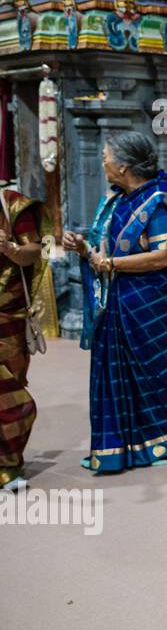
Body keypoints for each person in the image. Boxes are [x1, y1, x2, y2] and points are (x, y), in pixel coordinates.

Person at [62, 132, 167, 474]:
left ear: (123, 165)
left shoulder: (159, 200)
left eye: (107, 157)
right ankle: (117, 449)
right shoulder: (118, 200)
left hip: (158, 309)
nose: (104, 163)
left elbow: (164, 256)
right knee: (115, 373)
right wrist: (84, 248)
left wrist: (110, 265)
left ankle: (162, 442)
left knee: (158, 372)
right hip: (120, 304)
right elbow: (103, 248)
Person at [0, 185, 43, 492]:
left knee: (10, 394)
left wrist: (10, 249)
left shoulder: (11, 205)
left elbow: (33, 252)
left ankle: (8, 464)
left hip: (7, 316)